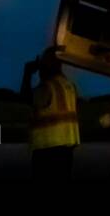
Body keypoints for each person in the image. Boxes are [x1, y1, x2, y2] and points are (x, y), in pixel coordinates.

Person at [21, 49, 80, 179]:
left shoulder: (47, 87)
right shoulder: (69, 85)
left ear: (48, 65)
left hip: (48, 148)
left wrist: (27, 73)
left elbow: (25, 98)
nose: (41, 70)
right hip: (67, 146)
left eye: (42, 66)